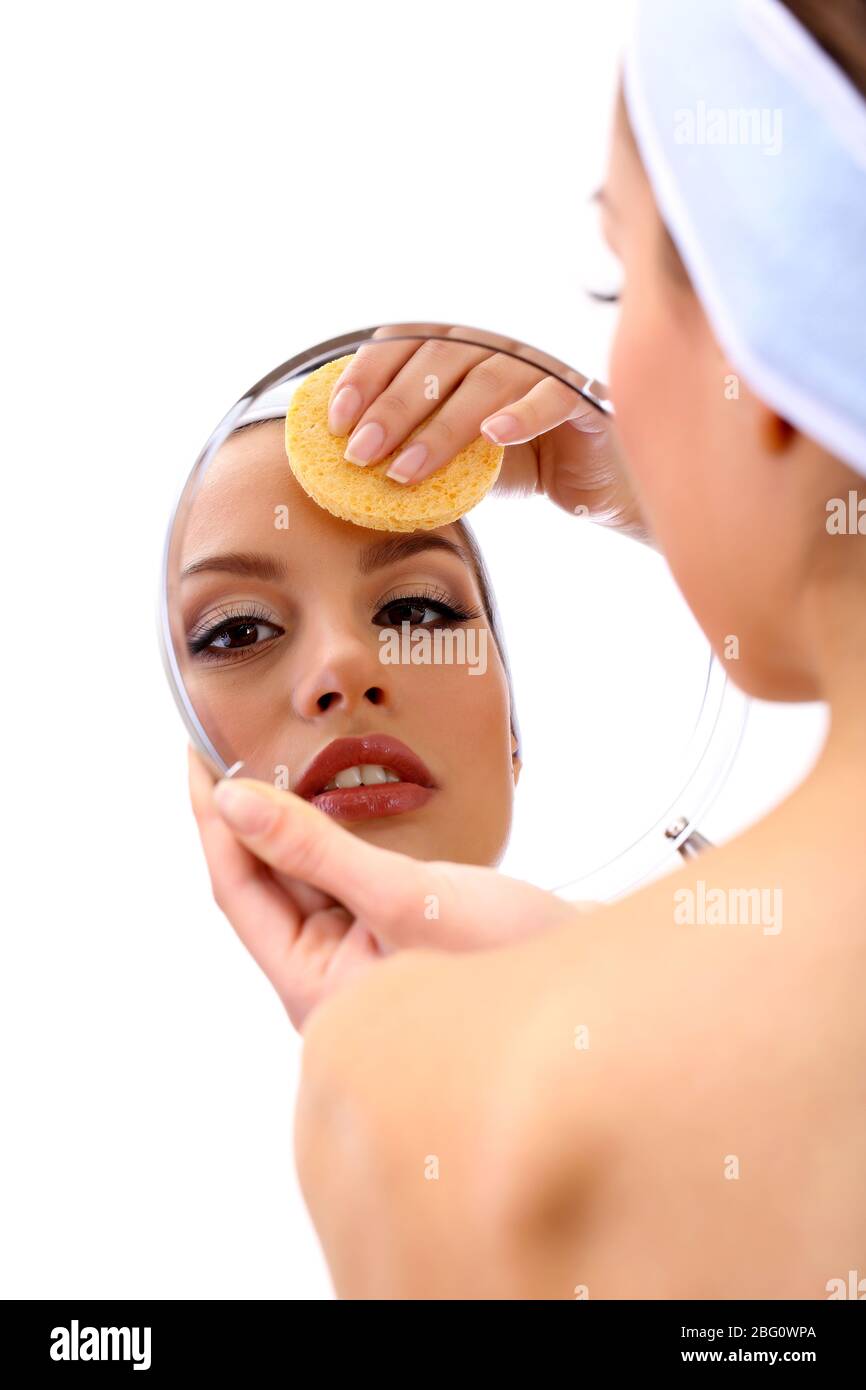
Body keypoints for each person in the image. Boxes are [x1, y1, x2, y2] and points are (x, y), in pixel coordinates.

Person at [190, 0, 866, 1297]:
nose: (342, 672)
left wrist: (466, 1065)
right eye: (231, 631)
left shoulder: (453, 1118)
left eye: (620, 279)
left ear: (762, 346)